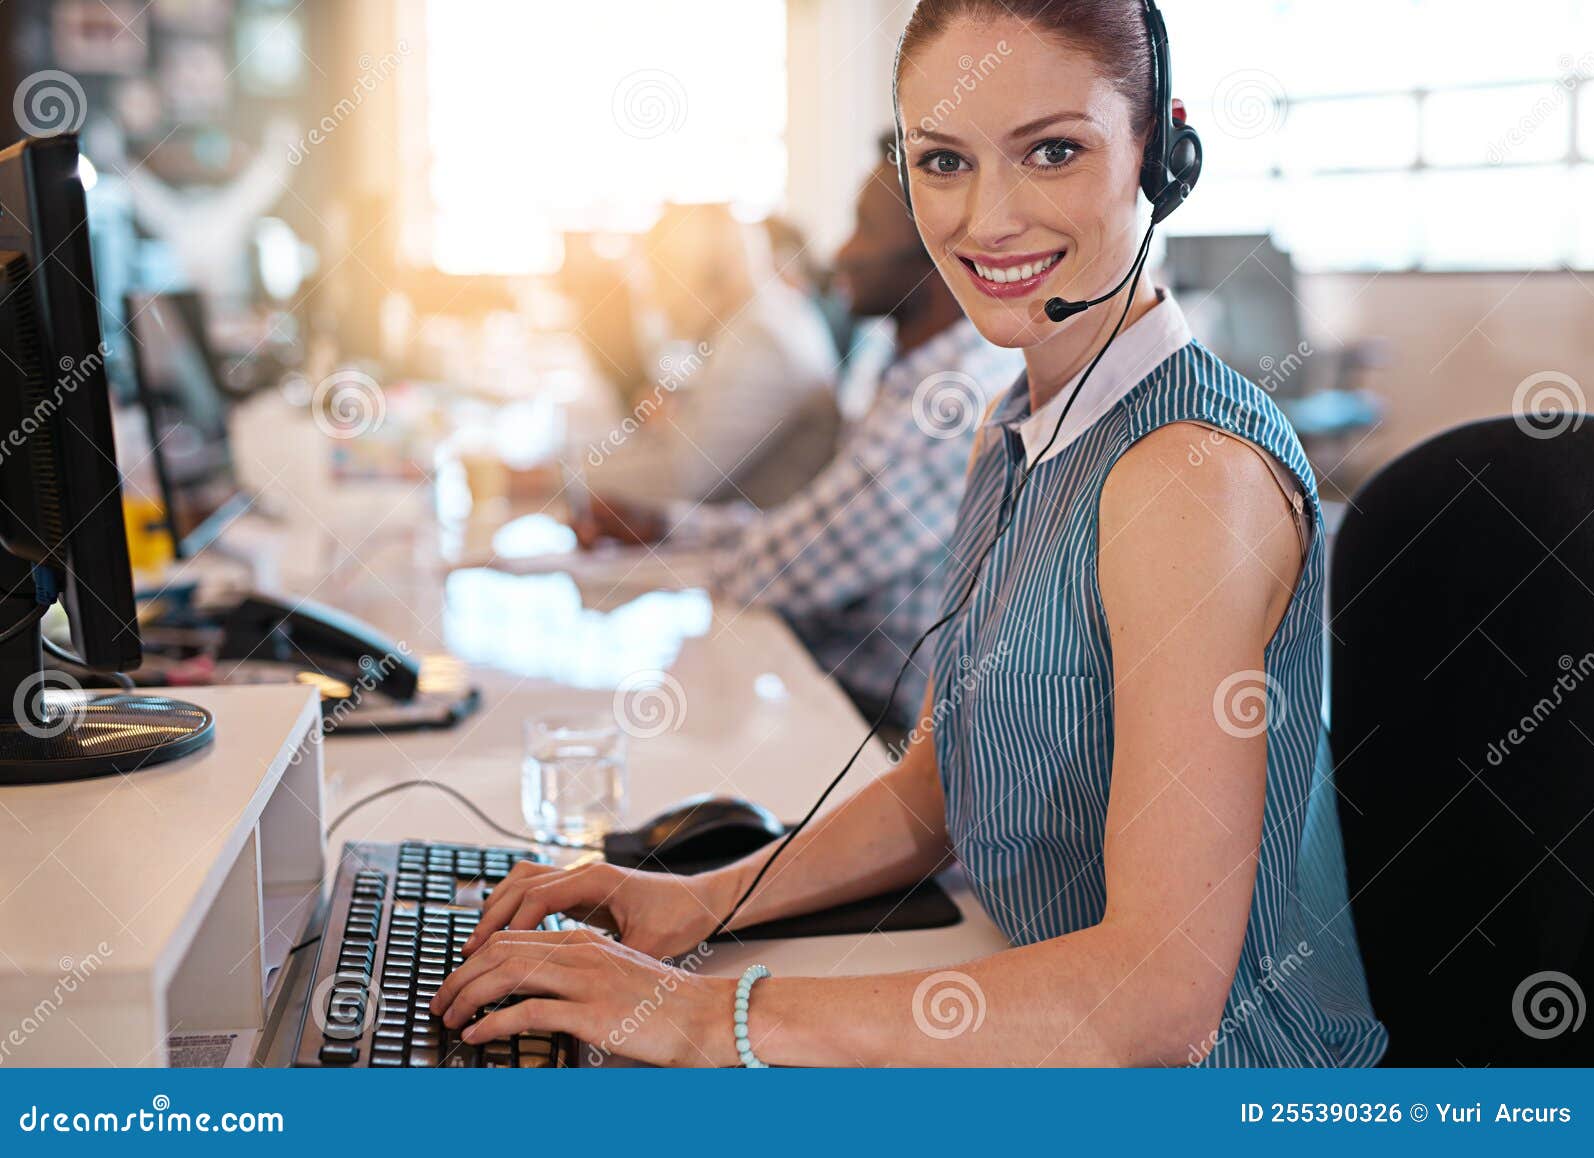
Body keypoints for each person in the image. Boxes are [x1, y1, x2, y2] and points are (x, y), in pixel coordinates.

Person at [431, 0, 1387, 1067]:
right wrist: (690, 903)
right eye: (943, 162)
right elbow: (933, 793)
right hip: (1031, 1012)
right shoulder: (1017, 428)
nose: (988, 220)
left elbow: (1155, 1002)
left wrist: (707, 1016)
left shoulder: (1187, 477)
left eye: (1054, 151)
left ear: (1159, 153)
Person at [573, 140, 1023, 731]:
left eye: (864, 230)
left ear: (940, 250)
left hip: (876, 721)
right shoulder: (904, 365)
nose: (841, 253)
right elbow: (810, 528)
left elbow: (793, 567)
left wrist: (674, 534)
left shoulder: (950, 398)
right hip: (833, 682)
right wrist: (665, 528)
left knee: (642, 727)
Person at [581, 203, 840, 510]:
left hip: (750, 540)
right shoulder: (760, 319)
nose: (653, 298)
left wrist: (567, 478)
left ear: (710, 274)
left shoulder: (760, 340)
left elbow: (680, 478)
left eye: (662, 275)